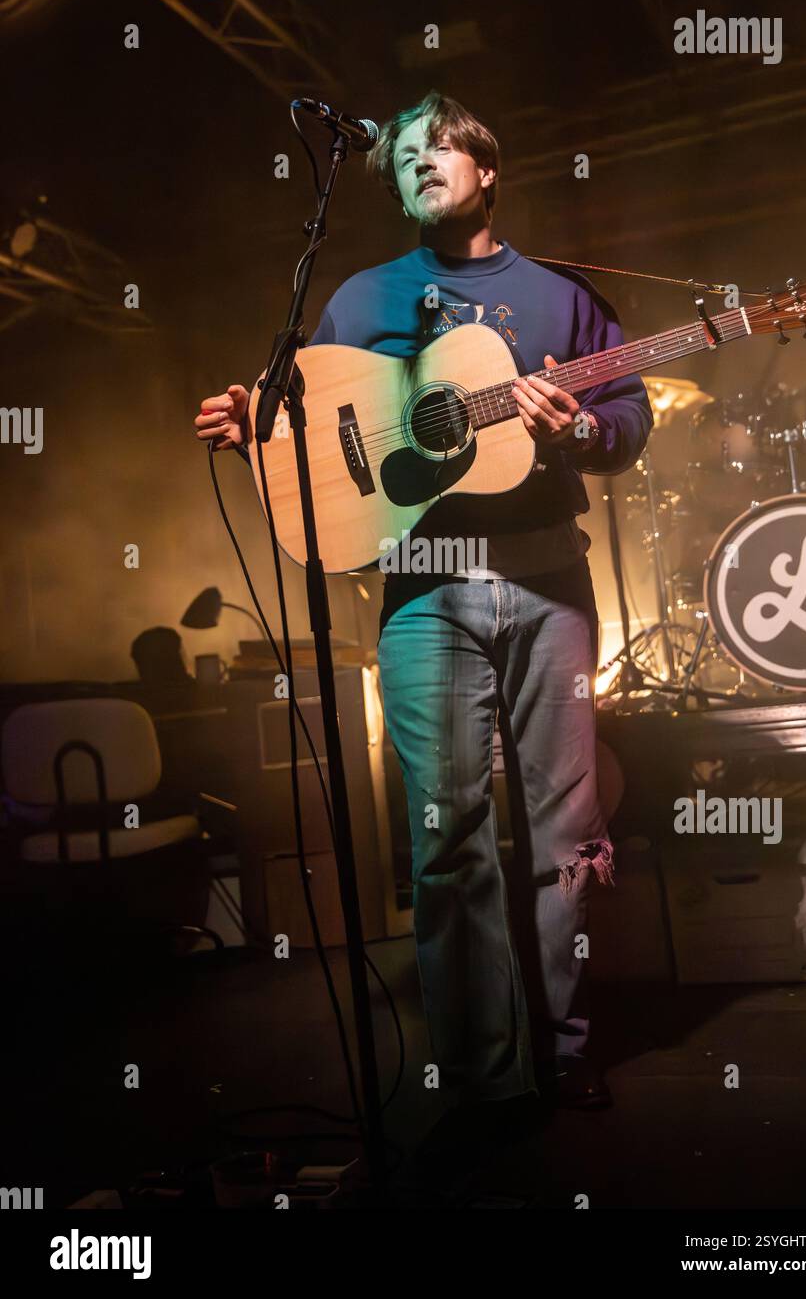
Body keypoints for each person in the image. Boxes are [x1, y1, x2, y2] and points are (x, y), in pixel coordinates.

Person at [194, 91, 652, 1170]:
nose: (415, 164)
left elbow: (624, 420)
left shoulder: (559, 297)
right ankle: (477, 1071)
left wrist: (578, 423)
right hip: (418, 595)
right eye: (400, 156)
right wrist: (248, 421)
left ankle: (563, 1047)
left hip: (546, 585)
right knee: (445, 846)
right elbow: (310, 417)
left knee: (565, 837)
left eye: (434, 147)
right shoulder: (359, 296)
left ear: (485, 169)